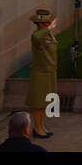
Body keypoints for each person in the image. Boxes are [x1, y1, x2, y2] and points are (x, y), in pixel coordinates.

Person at [26, 8, 57, 139]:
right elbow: (38, 37)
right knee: (38, 103)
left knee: (45, 102)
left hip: (49, 71)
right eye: (45, 23)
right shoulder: (37, 35)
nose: (47, 25)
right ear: (39, 23)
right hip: (40, 73)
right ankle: (37, 128)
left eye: (48, 23)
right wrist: (49, 28)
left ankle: (41, 126)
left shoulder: (47, 34)